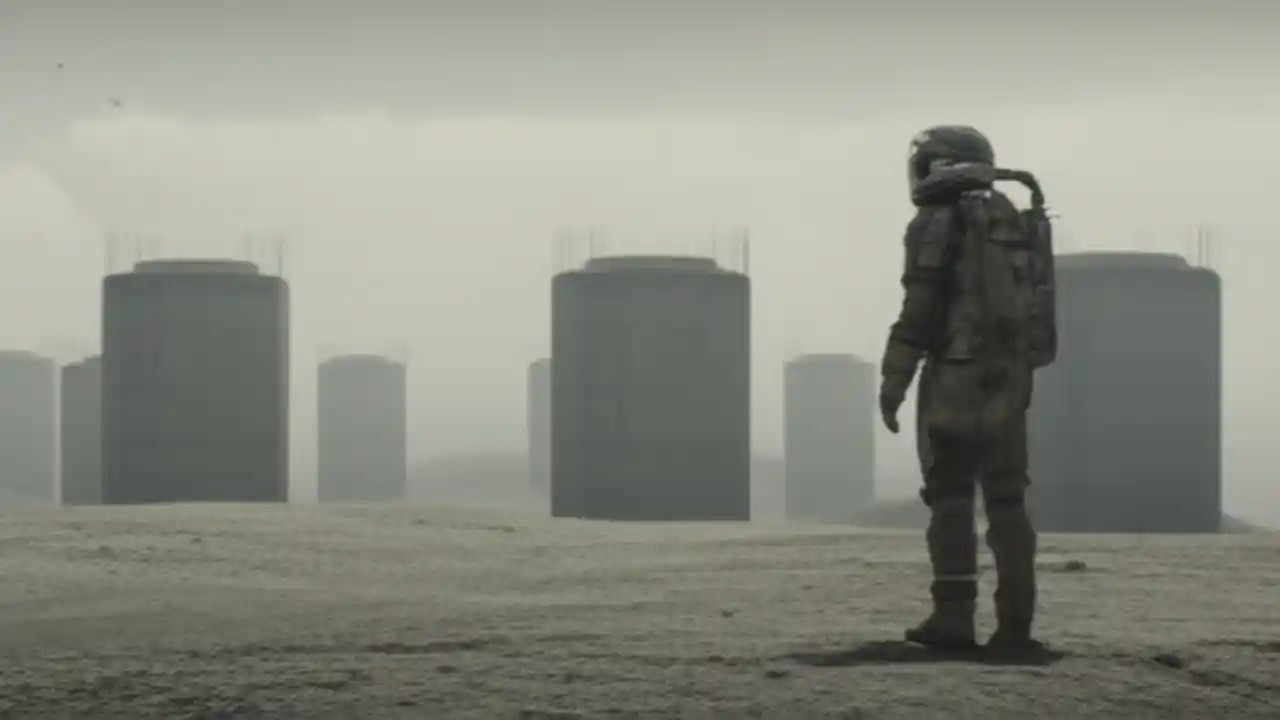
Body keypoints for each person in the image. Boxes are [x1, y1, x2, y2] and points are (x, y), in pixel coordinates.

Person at [878, 125, 1043, 650]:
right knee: (1007, 504)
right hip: (1010, 381)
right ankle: (1016, 625)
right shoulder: (1012, 217)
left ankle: (953, 617)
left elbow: (920, 308)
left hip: (955, 377)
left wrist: (894, 376)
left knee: (950, 497)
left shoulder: (934, 221)